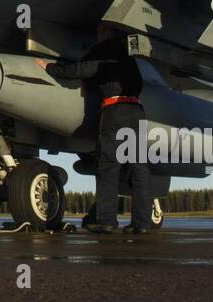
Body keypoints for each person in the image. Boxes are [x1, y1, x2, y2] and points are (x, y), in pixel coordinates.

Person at [37, 24, 154, 235]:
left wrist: (49, 67)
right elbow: (138, 83)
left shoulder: (102, 51)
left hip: (114, 111)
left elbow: (79, 70)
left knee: (108, 166)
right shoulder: (128, 54)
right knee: (139, 169)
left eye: (99, 30)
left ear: (104, 33)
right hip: (136, 111)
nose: (97, 33)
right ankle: (142, 223)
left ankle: (107, 221)